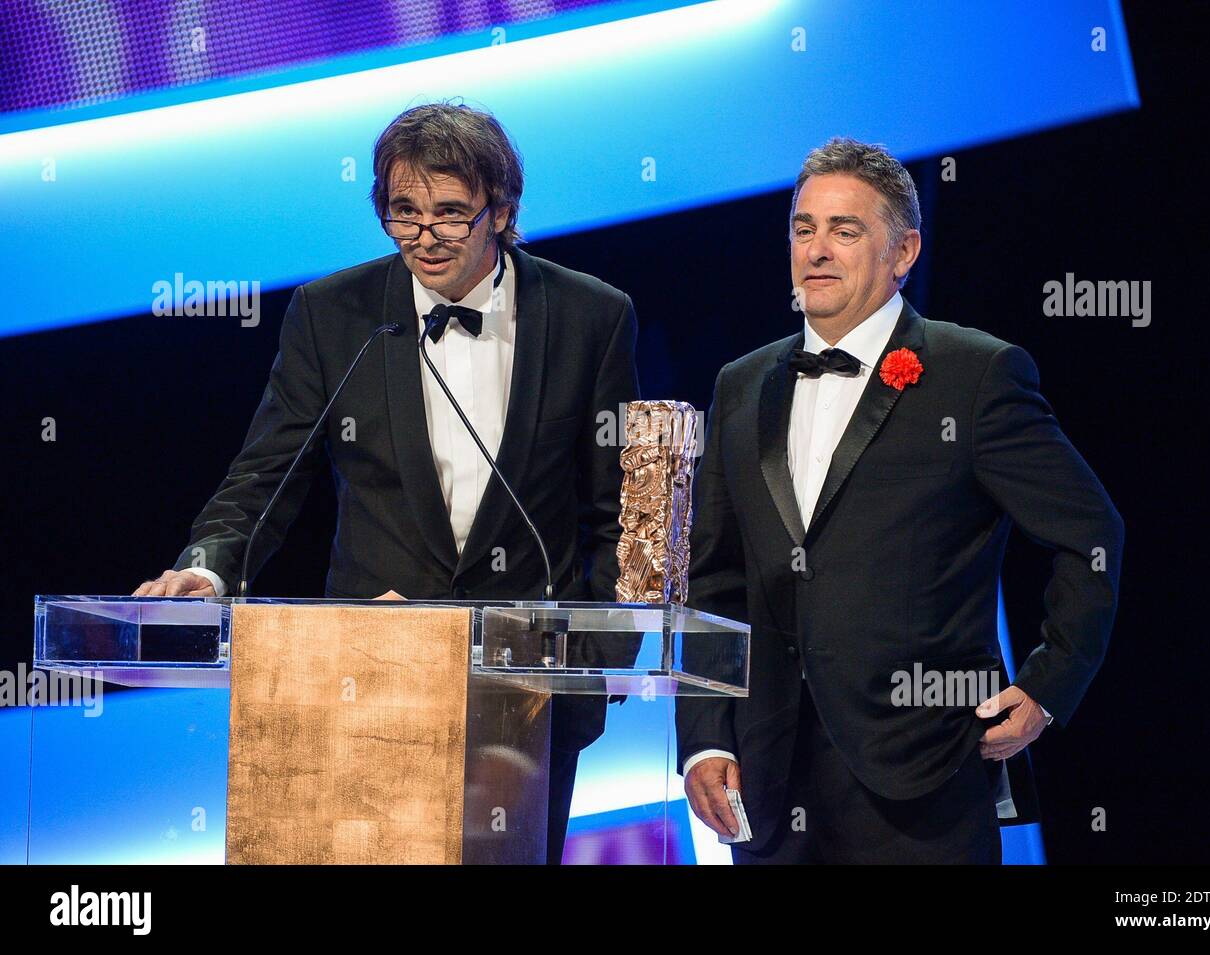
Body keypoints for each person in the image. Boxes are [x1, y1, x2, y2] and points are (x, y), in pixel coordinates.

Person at [133, 102, 640, 864]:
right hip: (369, 679)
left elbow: (616, 510)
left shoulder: (591, 316)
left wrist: (602, 651)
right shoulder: (331, 313)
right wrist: (207, 567)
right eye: (403, 212)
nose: (424, 237)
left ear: (503, 211)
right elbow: (265, 475)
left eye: (449, 213)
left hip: (526, 690)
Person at [676, 138, 1123, 863]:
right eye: (803, 228)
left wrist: (1047, 686)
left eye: (844, 230)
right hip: (768, 781)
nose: (816, 249)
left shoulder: (974, 374)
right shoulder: (741, 382)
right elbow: (715, 578)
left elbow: (1092, 534)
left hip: (926, 778)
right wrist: (701, 741)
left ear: (904, 250)